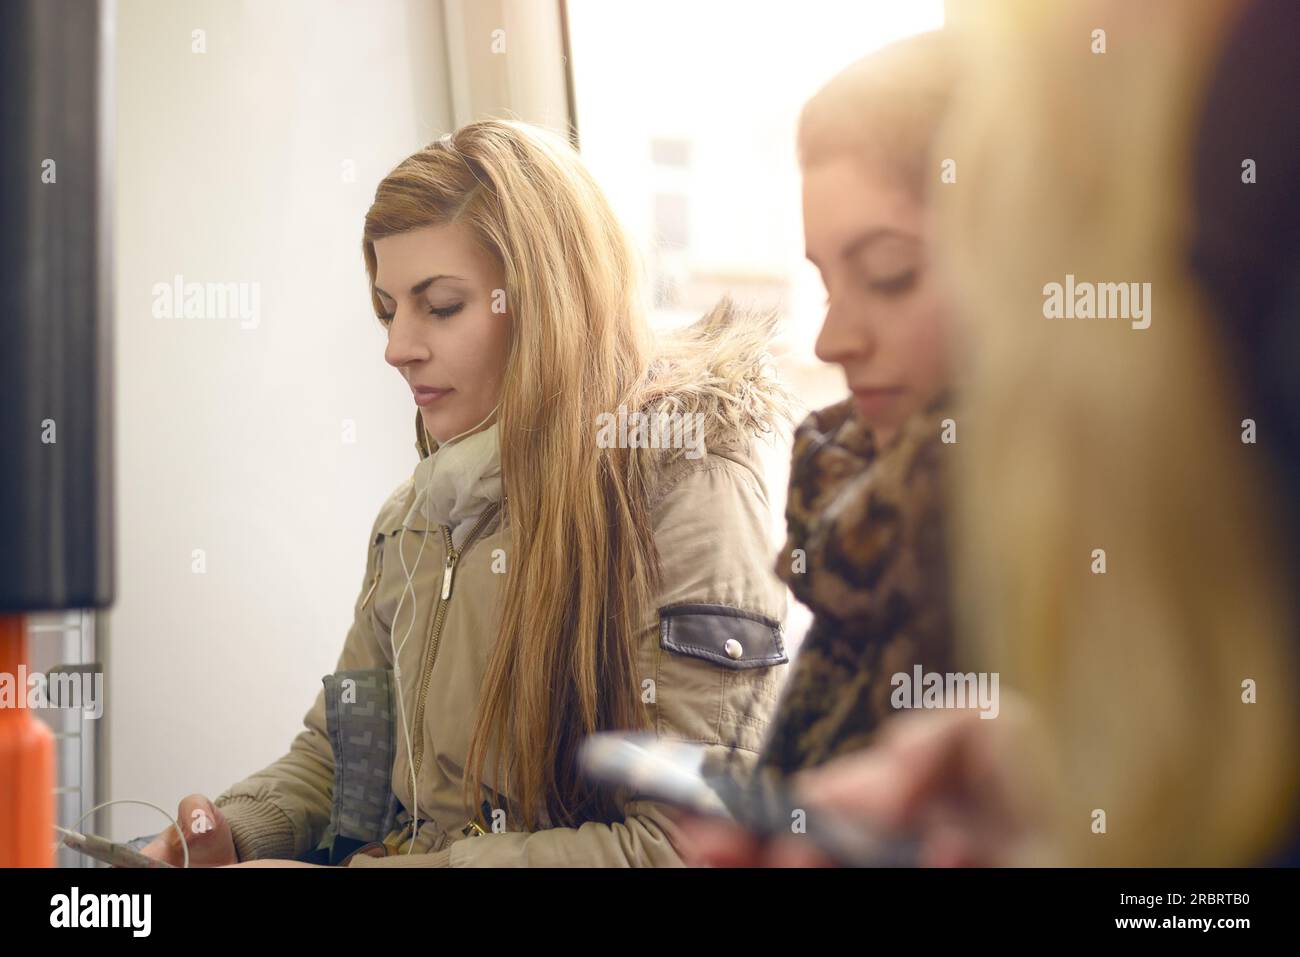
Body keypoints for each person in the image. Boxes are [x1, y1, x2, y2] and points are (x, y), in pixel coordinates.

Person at [143, 119, 794, 867]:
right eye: (388, 309)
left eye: (441, 306)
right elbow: (346, 763)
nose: (396, 347)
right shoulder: (414, 519)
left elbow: (691, 847)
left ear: (549, 302)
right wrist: (232, 830)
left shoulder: (687, 484)